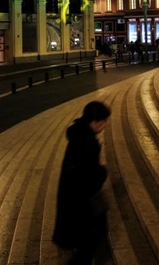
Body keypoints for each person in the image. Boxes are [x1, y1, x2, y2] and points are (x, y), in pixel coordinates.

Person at [52, 101, 112, 264]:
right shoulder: (88, 143)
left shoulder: (78, 134)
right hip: (80, 202)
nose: (105, 124)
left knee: (86, 241)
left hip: (71, 197)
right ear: (94, 121)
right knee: (90, 241)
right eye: (103, 121)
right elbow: (89, 178)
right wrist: (102, 170)